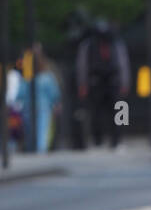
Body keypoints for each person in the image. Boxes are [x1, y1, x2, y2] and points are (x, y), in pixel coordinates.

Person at [75, 19, 130, 147]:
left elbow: (123, 64)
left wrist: (124, 83)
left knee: (117, 110)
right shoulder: (90, 45)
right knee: (99, 112)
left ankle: (114, 138)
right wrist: (82, 84)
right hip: (99, 81)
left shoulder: (114, 43)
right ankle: (105, 139)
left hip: (109, 81)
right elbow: (123, 64)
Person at [16, 45, 62, 152]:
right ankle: (40, 154)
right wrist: (56, 104)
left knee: (30, 134)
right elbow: (55, 94)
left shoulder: (26, 78)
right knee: (42, 134)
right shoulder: (47, 77)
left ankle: (32, 153)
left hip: (28, 108)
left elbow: (19, 95)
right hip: (44, 108)